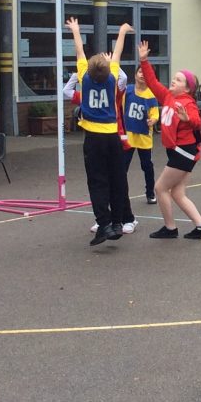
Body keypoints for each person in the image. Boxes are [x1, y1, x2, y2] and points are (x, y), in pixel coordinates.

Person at [67, 17, 135, 246]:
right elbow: (117, 53)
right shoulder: (113, 78)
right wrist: (122, 31)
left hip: (93, 139)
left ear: (89, 68)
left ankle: (103, 224)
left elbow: (79, 52)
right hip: (112, 137)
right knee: (117, 179)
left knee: (97, 182)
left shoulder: (85, 78)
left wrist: (75, 30)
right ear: (107, 69)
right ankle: (117, 223)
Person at [138, 40, 201, 239]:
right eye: (174, 78)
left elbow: (197, 121)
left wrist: (189, 119)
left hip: (184, 151)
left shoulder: (187, 102)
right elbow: (152, 82)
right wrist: (144, 60)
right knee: (177, 193)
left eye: (178, 80)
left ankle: (170, 228)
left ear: (187, 88)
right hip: (180, 152)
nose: (173, 81)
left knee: (160, 188)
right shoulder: (169, 97)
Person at [124, 65, 160, 205]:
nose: (142, 74)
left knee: (147, 166)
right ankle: (120, 193)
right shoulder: (128, 90)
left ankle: (150, 193)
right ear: (135, 74)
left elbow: (154, 114)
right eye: (140, 71)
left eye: (145, 73)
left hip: (144, 136)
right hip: (128, 135)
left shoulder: (151, 95)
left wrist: (153, 120)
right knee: (123, 166)